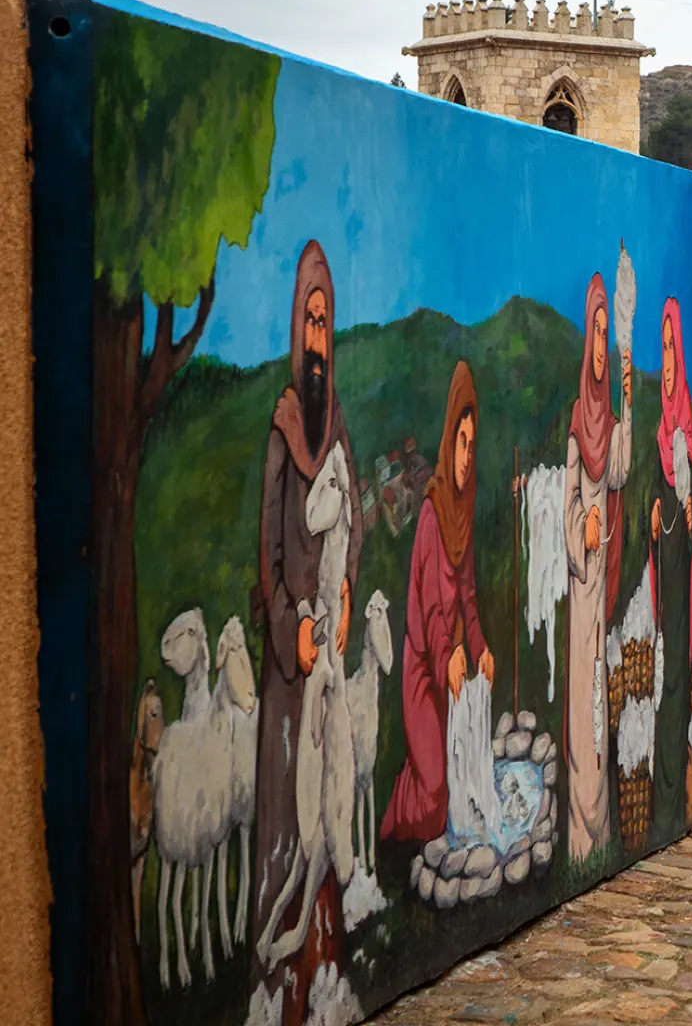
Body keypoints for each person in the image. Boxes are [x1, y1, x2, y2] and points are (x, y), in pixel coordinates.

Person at [253, 240, 361, 1017]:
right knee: (289, 826)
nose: (318, 339)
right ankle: (279, 984)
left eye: (328, 323)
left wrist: (348, 589)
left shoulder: (339, 426)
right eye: (310, 321)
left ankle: (325, 966)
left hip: (332, 663)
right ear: (298, 331)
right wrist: (290, 624)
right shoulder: (284, 427)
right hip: (290, 675)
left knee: (329, 809)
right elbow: (267, 551)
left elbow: (352, 529)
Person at [382, 362, 493, 842]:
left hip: (452, 671)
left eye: (473, 444)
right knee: (432, 794)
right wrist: (448, 652)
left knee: (456, 783)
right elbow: (428, 606)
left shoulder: (462, 514)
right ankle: (389, 828)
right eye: (460, 443)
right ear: (449, 442)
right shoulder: (431, 510)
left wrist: (480, 645)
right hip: (423, 672)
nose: (466, 456)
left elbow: (465, 594)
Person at [564, 274, 634, 859]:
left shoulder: (608, 421)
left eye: (606, 335)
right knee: (580, 698)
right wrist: (577, 527)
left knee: (598, 705)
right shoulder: (575, 419)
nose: (599, 343)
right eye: (596, 330)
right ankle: (579, 833)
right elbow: (569, 495)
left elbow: (619, 472)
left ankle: (599, 826)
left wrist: (630, 402)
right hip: (578, 579)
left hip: (601, 571)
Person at [649, 298, 692, 834]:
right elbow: (646, 489)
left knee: (675, 680)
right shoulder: (655, 430)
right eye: (660, 347)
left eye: (671, 347)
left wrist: (686, 508)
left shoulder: (684, 427)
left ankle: (673, 782)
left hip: (678, 580)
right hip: (654, 579)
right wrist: (655, 505)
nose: (665, 359)